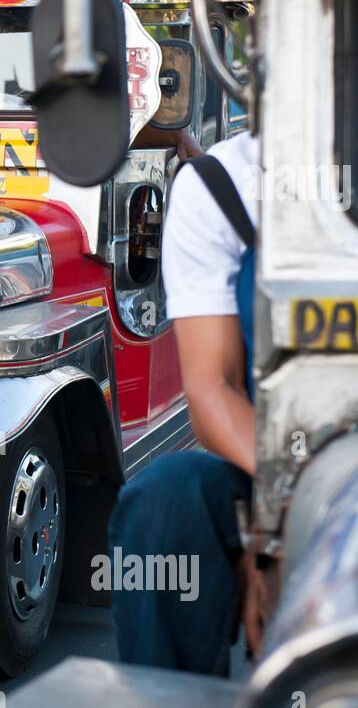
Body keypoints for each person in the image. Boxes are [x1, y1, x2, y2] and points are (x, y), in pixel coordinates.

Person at [108, 129, 267, 675]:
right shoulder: (226, 185)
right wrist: (284, 518)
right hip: (277, 462)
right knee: (164, 504)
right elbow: (214, 388)